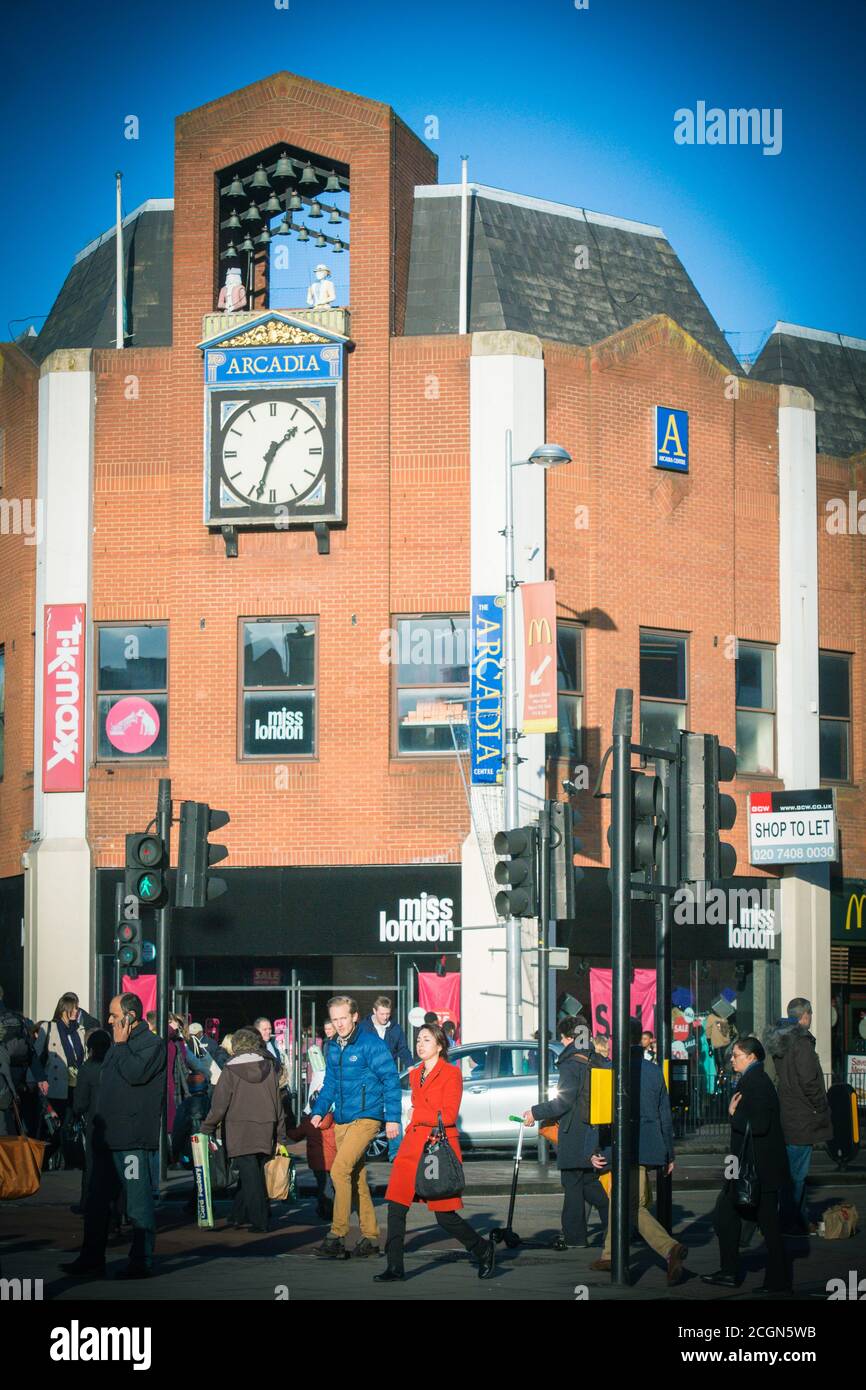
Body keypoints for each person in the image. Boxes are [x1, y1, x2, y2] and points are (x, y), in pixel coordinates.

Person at [375, 1023, 495, 1282]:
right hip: (412, 1146)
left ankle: (483, 1249)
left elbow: (448, 1116)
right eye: (418, 1039)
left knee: (443, 1215)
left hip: (436, 1147)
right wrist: (413, 1119)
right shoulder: (416, 1073)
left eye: (426, 1040)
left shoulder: (451, 1073)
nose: (420, 1044)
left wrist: (416, 1114)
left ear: (440, 1046)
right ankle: (394, 1267)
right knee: (396, 1206)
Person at [61, 992, 167, 1280]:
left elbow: (135, 1074)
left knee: (137, 1202)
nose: (109, 1020)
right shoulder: (116, 1047)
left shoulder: (152, 1045)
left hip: (131, 1139)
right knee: (97, 1201)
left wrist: (120, 1046)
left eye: (114, 1014)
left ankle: (141, 1260)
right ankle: (91, 1257)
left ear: (130, 1017)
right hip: (108, 1138)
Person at [590, 1017, 687, 1286]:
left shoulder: (610, 1070)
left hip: (621, 1147)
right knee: (621, 1199)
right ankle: (609, 1254)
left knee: (630, 1205)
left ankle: (669, 1248)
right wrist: (669, 1153)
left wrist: (594, 1149)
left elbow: (599, 1116)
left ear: (617, 1038)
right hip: (648, 1145)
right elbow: (664, 1115)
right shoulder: (654, 1071)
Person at [309, 994, 402, 1259]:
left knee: (339, 1171)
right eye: (334, 1019)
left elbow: (391, 1079)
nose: (339, 1024)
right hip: (342, 1120)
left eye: (343, 1018)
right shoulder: (332, 1046)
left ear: (354, 1017)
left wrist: (392, 1118)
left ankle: (336, 1235)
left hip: (367, 1117)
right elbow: (330, 1084)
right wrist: (319, 1110)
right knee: (357, 1178)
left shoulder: (371, 1044)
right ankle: (370, 1238)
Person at [702, 1036, 791, 1293]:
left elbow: (759, 1125)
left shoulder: (757, 1082)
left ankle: (774, 1281)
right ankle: (732, 1272)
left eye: (736, 1055)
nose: (732, 1059)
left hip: (758, 1168)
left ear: (751, 1057)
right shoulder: (752, 1079)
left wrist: (734, 1115)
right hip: (748, 1166)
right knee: (728, 1214)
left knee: (766, 1225)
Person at [523, 1015, 610, 1248]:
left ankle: (575, 1238)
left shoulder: (571, 1063)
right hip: (594, 1129)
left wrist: (535, 1112)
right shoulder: (596, 1059)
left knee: (572, 1185)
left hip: (575, 1132)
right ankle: (616, 1224)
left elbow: (563, 1102)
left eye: (563, 1038)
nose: (561, 1042)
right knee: (589, 1183)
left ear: (571, 1038)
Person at [200, 1026, 286, 1233]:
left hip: (239, 1128)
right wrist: (280, 1134)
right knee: (252, 1173)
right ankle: (237, 1215)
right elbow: (278, 1103)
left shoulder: (230, 1069)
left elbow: (219, 1105)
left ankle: (260, 1221)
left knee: (250, 1175)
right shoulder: (269, 1066)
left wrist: (207, 1127)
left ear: (236, 1045)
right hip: (266, 1126)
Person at [764, 997, 833, 1235]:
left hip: (786, 1113)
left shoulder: (780, 1040)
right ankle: (787, 1222)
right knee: (796, 1176)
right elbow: (810, 1081)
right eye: (810, 1014)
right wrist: (821, 1106)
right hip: (802, 1116)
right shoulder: (801, 1043)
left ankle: (799, 1220)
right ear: (805, 1015)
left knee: (792, 1173)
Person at [358, 995, 412, 1159]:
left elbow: (403, 1049)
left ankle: (395, 1154)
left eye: (388, 1014)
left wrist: (411, 1066)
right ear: (374, 1011)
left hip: (389, 1076)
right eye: (382, 1014)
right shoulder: (362, 1028)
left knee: (393, 1112)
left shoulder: (395, 1029)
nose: (385, 1017)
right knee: (366, 1113)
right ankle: (360, 1151)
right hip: (368, 1078)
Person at [35, 992, 99, 1126]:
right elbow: (35, 1056)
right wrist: (34, 1081)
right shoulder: (48, 1028)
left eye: (77, 1008)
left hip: (76, 1086)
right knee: (56, 1127)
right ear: (65, 1008)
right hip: (55, 1085)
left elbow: (83, 1057)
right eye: (74, 1008)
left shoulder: (80, 1030)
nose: (77, 1011)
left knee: (71, 1127)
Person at [72, 1028, 112, 1214]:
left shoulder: (87, 1069)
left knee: (92, 1165)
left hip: (95, 1123)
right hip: (118, 1122)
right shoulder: (116, 1065)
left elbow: (80, 1103)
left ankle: (88, 1203)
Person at [286, 1105, 337, 1219]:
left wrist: (287, 1126)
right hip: (334, 1159)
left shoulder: (309, 1121)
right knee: (332, 1186)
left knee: (323, 1186)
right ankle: (326, 1208)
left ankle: (327, 1211)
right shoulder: (335, 1120)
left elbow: (295, 1136)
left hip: (318, 1161)